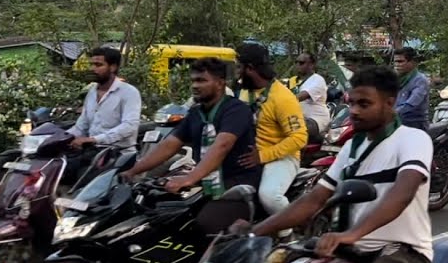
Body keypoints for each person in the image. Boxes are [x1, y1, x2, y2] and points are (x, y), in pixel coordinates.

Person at [245, 66, 433, 263]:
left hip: (402, 253)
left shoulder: (412, 139)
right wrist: (255, 231)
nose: (354, 111)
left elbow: (402, 194)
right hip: (350, 251)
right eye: (350, 103)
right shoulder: (351, 148)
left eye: (364, 104)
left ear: (389, 103)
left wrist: (351, 234)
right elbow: (313, 200)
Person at [121, 58, 259, 234]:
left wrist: (190, 178)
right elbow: (170, 145)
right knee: (160, 215)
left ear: (220, 83)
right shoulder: (196, 113)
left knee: (204, 224)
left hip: (237, 186)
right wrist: (133, 171)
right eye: (193, 80)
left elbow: (222, 145)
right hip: (206, 184)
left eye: (201, 80)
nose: (195, 85)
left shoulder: (236, 110)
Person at [236, 44, 307, 218]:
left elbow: (299, 137)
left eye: (239, 67)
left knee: (269, 197)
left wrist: (262, 156)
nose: (236, 72)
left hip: (281, 158)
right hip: (247, 157)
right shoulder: (242, 90)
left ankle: (287, 235)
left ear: (250, 68)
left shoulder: (282, 97)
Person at [67, 46, 142, 182]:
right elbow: (82, 125)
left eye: (98, 65)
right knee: (58, 171)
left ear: (112, 67)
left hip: (117, 154)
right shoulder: (91, 93)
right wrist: (62, 137)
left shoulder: (129, 92)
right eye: (92, 64)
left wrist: (95, 139)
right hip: (91, 153)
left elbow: (130, 126)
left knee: (84, 181)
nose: (92, 69)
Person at [291, 52, 331, 133]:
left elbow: (298, 97)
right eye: (296, 62)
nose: (298, 65)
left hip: (316, 120)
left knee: (291, 130)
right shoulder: (294, 81)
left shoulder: (317, 80)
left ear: (312, 65)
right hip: (299, 119)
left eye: (301, 63)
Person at [393, 47, 431, 131]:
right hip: (397, 122)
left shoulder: (420, 80)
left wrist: (392, 113)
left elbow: (411, 104)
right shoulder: (395, 79)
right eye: (395, 62)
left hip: (416, 124)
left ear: (412, 62)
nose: (397, 65)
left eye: (400, 61)